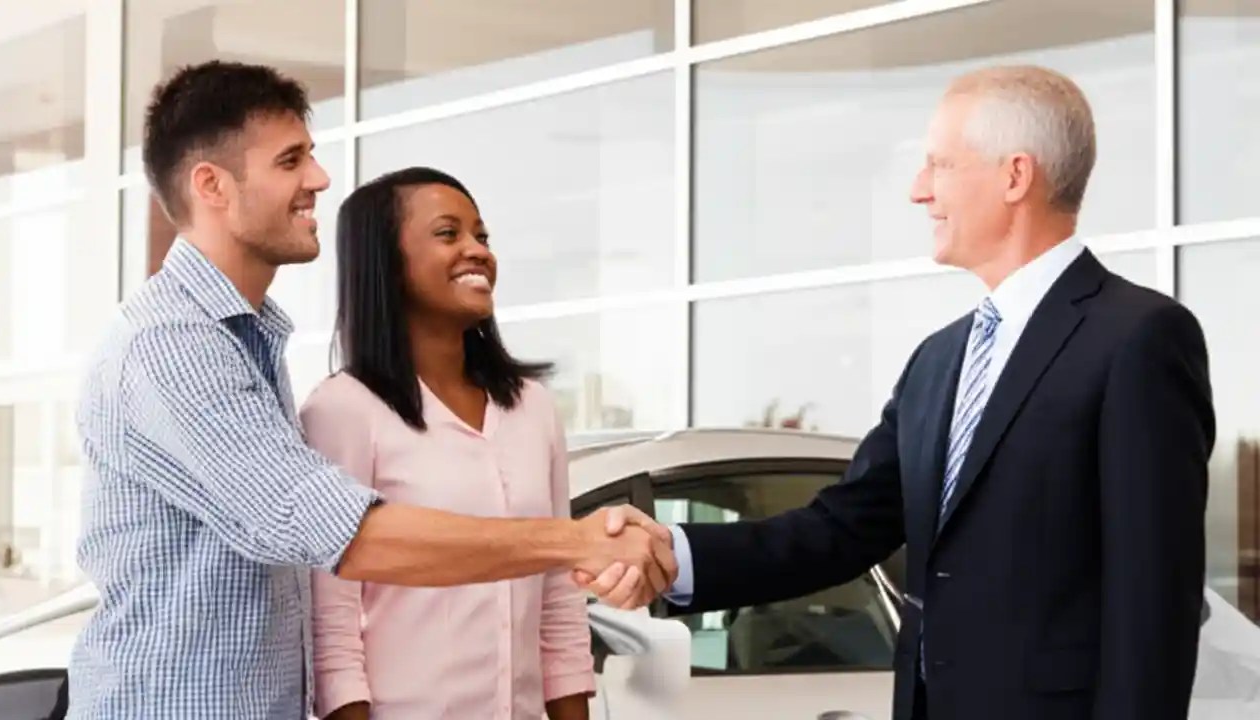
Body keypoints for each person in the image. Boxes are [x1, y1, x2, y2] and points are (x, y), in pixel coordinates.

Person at [583, 65, 1215, 720]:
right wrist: (673, 553)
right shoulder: (938, 359)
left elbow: (1153, 603)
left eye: (939, 165)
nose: (919, 191)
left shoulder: (1138, 338)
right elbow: (843, 529)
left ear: (1015, 176)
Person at [69, 60, 672, 720]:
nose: (318, 180)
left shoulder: (245, 342)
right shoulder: (174, 346)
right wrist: (576, 540)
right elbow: (341, 537)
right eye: (290, 160)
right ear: (212, 185)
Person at [299, 167, 594, 720]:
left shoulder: (532, 408)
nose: (476, 251)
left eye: (481, 236)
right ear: (387, 260)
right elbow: (332, 627)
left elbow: (559, 598)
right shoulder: (343, 410)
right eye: (448, 233)